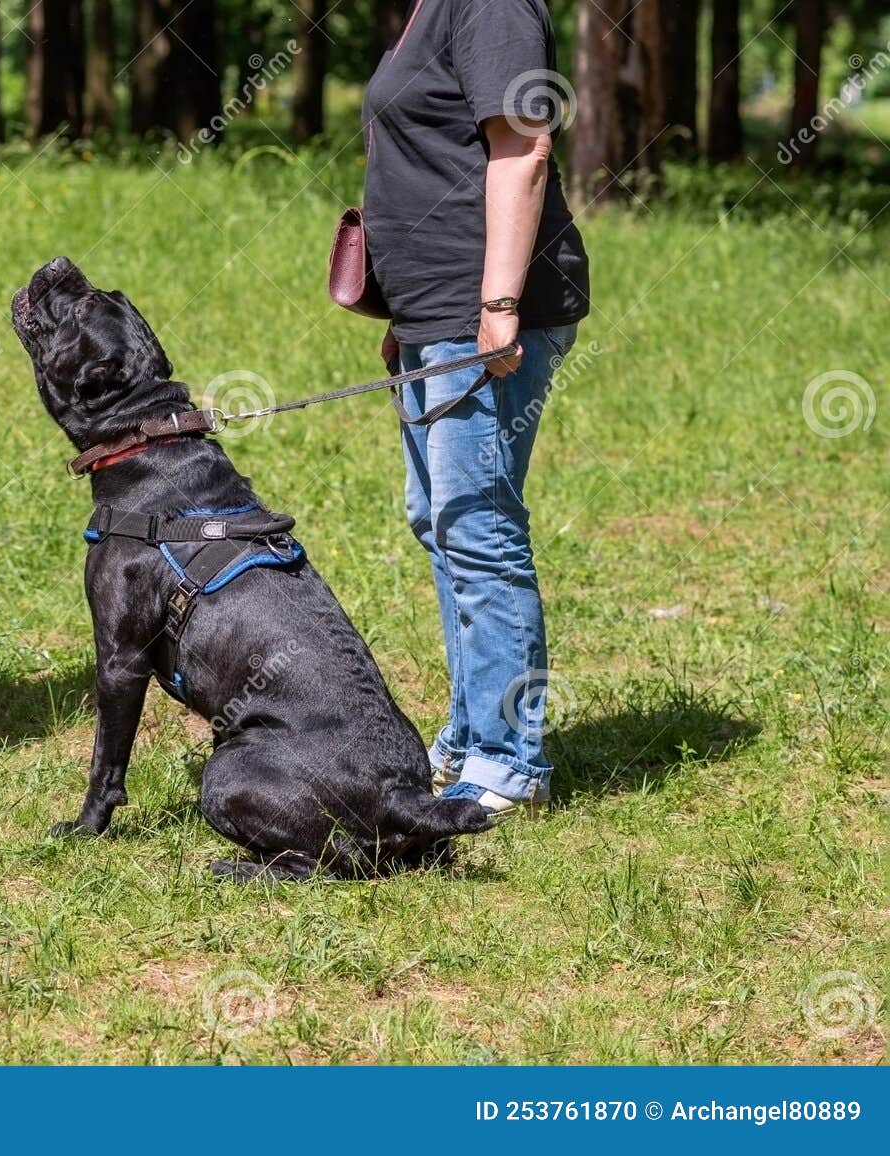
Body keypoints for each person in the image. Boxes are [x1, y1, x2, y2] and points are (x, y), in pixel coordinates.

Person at [362, 0, 590, 820]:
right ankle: (468, 735)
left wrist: (497, 304)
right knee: (442, 517)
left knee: (479, 525)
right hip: (436, 312)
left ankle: (509, 762)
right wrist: (408, 316)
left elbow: (523, 148)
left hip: (486, 309)